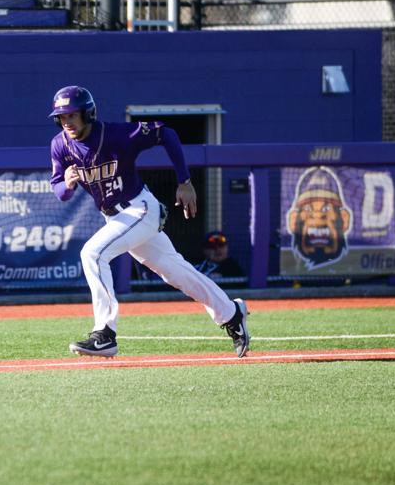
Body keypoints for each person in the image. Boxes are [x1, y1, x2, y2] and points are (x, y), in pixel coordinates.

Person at [47, 85, 250, 358]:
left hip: (139, 209)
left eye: (72, 115)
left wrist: (184, 181)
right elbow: (59, 190)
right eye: (62, 117)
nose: (67, 122)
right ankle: (231, 313)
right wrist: (68, 185)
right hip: (115, 218)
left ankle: (104, 333)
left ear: (88, 113)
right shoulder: (60, 145)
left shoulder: (117, 134)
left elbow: (166, 133)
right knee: (177, 273)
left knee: (92, 253)